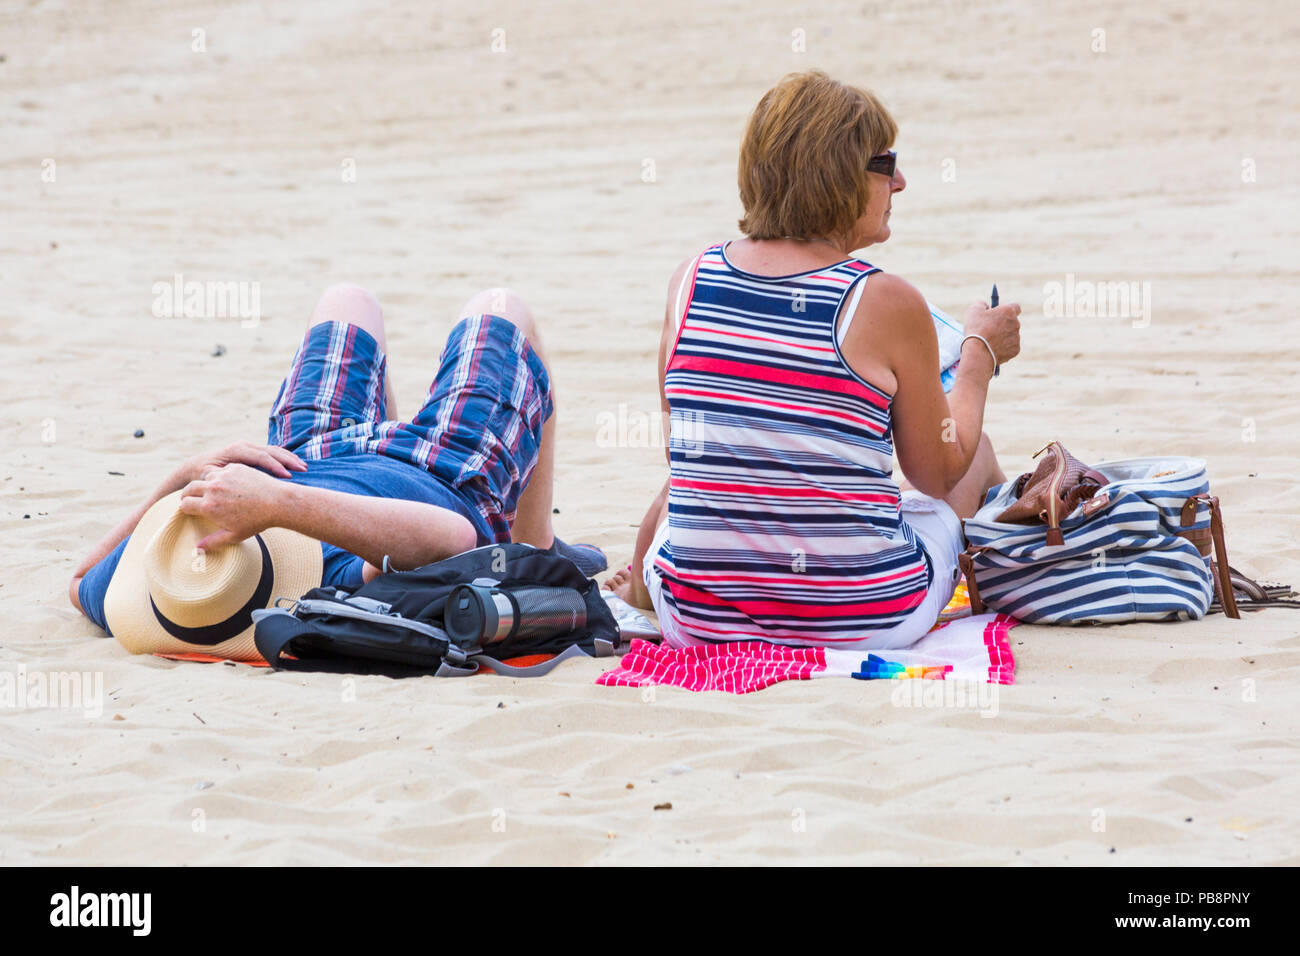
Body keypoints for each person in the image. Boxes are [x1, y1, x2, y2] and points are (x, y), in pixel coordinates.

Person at [604, 70, 1021, 651]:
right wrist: (979, 356)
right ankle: (1012, 565)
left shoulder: (689, 280)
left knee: (693, 479)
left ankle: (646, 594)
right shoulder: (886, 300)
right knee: (976, 462)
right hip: (868, 614)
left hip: (697, 617)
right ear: (838, 176)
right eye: (885, 164)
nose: (900, 182)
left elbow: (689, 452)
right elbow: (938, 471)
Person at [71, 283, 606, 644]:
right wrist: (276, 505)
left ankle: (382, 422)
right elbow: (453, 540)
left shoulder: (161, 583)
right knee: (501, 309)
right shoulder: (321, 594)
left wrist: (182, 474)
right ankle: (535, 543)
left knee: (346, 299)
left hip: (303, 455)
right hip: (442, 472)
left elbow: (81, 580)